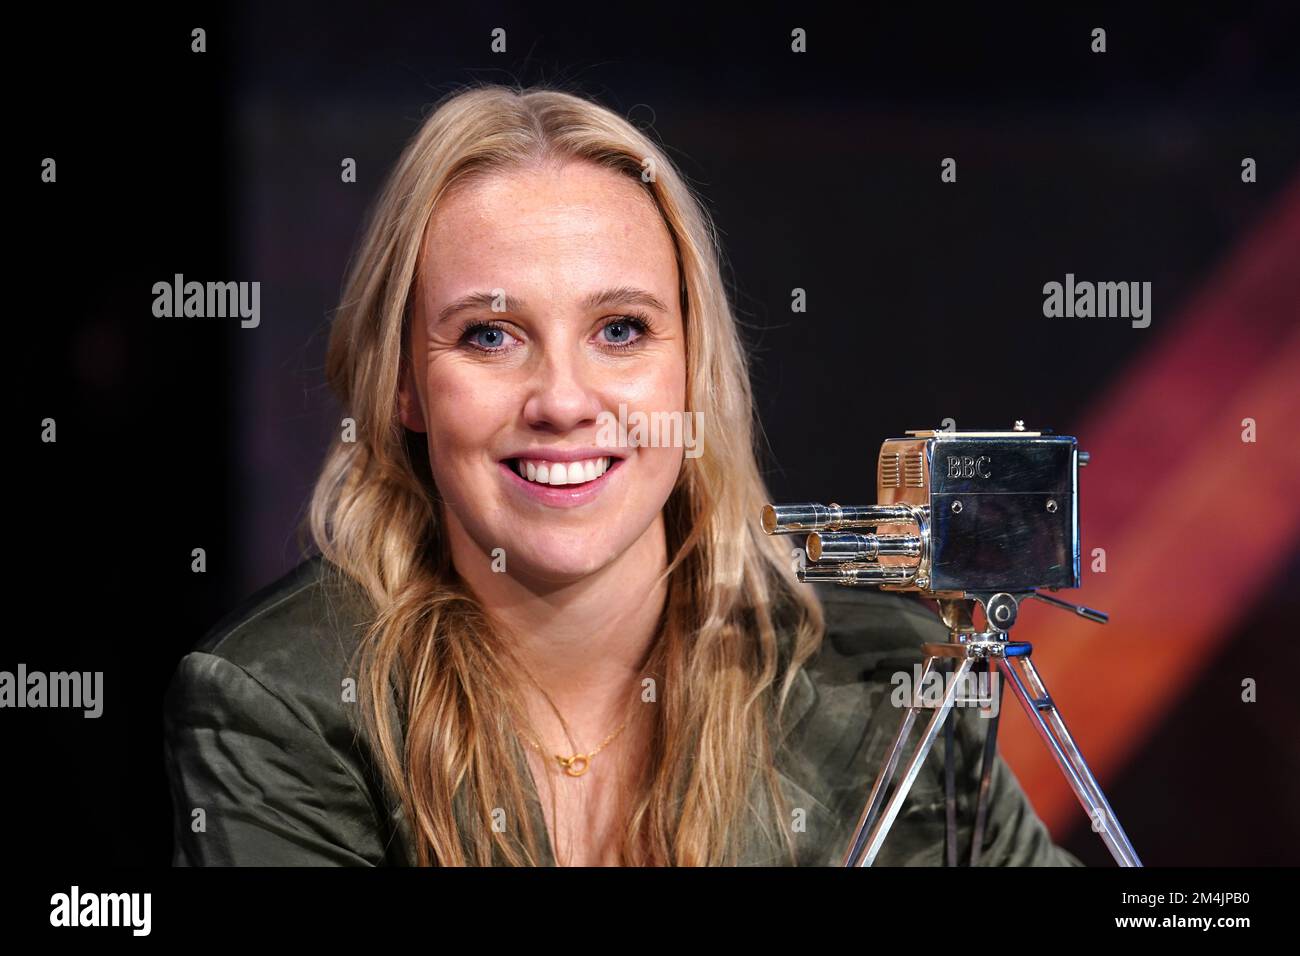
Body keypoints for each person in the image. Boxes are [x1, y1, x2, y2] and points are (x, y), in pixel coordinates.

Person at [163, 83, 1082, 867]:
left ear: (695, 369)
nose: (563, 399)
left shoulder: (888, 678)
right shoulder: (285, 704)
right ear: (405, 383)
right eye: (490, 335)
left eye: (621, 330)